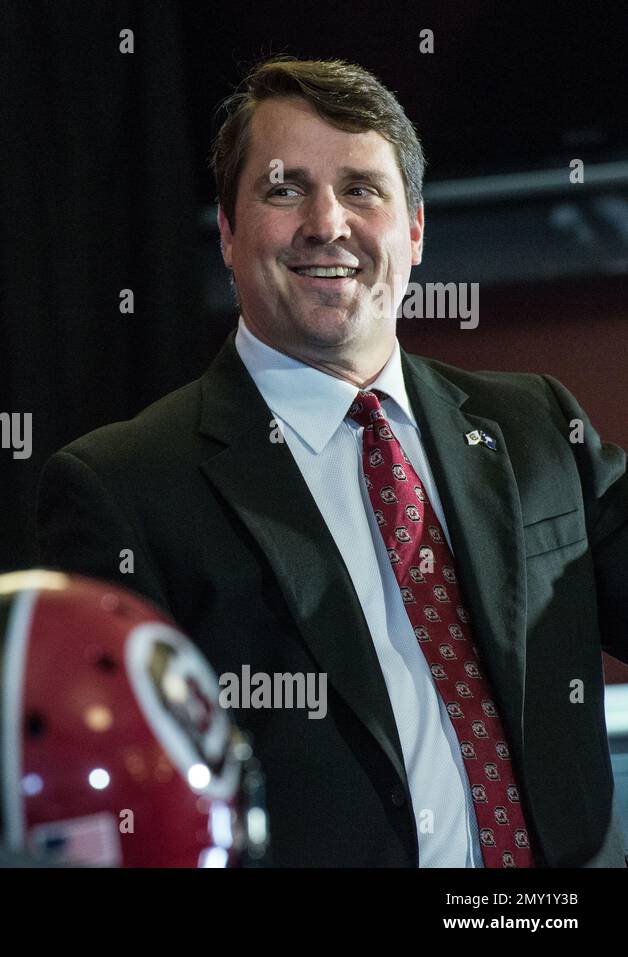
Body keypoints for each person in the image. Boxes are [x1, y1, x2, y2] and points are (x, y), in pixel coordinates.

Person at [36, 56, 627, 868]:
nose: (327, 222)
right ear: (229, 233)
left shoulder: (533, 423)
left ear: (414, 230)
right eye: (285, 189)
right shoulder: (123, 488)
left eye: (362, 189)